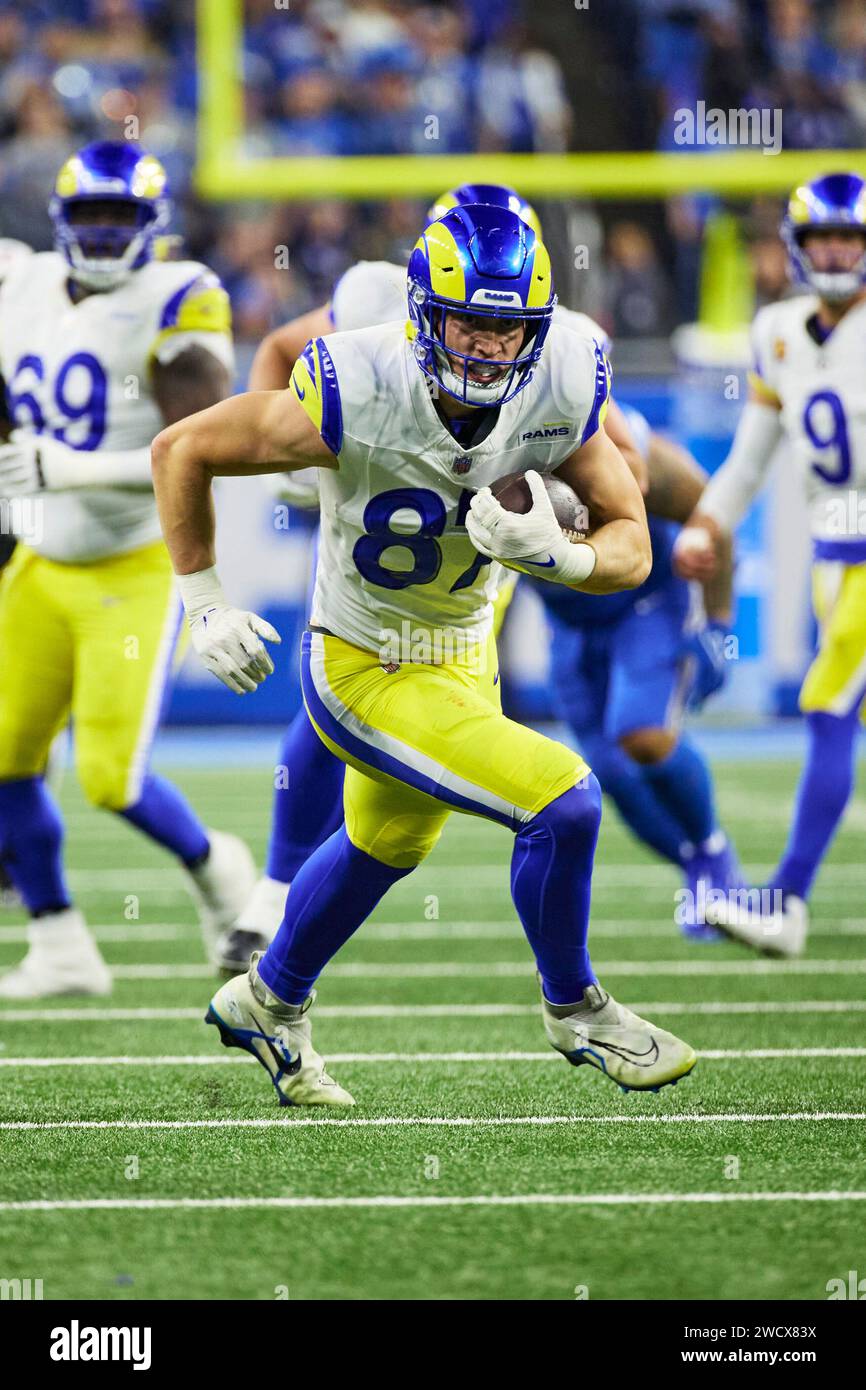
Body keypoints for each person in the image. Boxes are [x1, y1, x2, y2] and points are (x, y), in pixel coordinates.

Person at [152, 202, 697, 1106]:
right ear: (421, 312)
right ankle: (577, 1009)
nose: (487, 348)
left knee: (379, 844)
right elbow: (181, 448)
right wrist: (203, 605)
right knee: (563, 802)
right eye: (469, 322)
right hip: (363, 660)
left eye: (506, 328)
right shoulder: (354, 380)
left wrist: (561, 557)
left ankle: (268, 999)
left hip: (462, 649)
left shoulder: (563, 373)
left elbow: (631, 538)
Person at [0, 141, 255, 998]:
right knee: (4, 755)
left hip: (130, 565)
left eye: (121, 220)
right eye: (90, 219)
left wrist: (63, 468)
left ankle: (218, 866)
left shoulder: (181, 296)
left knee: (111, 778)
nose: (104, 237)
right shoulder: (22, 280)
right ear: (61, 221)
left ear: (153, 227)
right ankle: (60, 940)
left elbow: (201, 444)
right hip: (40, 559)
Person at [675, 172, 866, 957]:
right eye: (822, 237)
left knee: (826, 706)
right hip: (834, 557)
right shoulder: (781, 331)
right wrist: (710, 520)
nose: (834, 251)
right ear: (795, 247)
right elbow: (752, 458)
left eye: (848, 238)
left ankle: (785, 900)